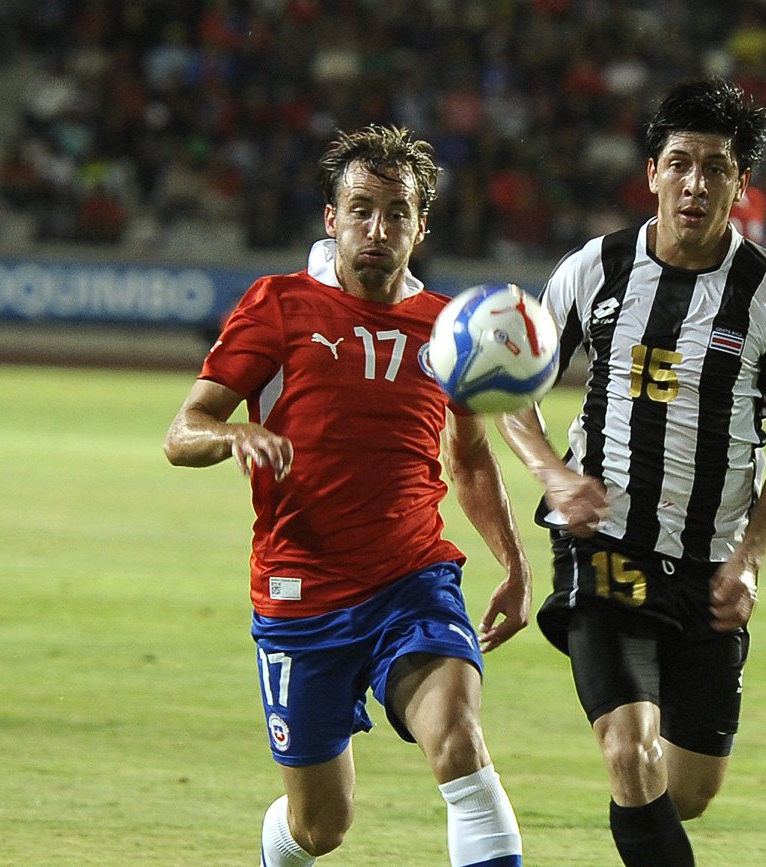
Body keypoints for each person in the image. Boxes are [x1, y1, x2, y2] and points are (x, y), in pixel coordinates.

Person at [163, 125, 528, 867]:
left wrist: (515, 564)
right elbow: (182, 431)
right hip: (301, 597)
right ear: (331, 219)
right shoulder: (279, 305)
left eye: (397, 213)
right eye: (360, 209)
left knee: (458, 742)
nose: (377, 229)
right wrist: (233, 437)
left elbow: (471, 459)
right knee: (320, 826)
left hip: (414, 582)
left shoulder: (451, 329)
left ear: (421, 225)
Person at [497, 78, 766, 866]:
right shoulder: (594, 269)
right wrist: (552, 473)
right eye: (680, 162)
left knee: (687, 788)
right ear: (652, 172)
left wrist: (750, 555)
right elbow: (515, 398)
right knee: (630, 753)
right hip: (603, 543)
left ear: (742, 185)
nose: (696, 183)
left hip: (712, 564)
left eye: (717, 167)